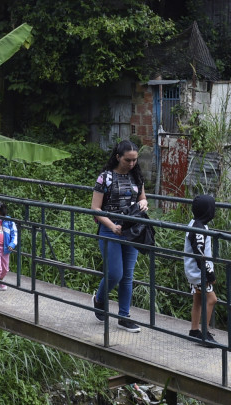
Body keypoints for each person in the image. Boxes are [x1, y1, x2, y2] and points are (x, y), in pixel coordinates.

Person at [90, 140, 148, 333]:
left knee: (128, 277)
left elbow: (142, 197)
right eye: (127, 160)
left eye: (134, 160)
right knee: (115, 273)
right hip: (109, 230)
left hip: (131, 231)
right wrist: (112, 226)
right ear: (117, 157)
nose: (131, 164)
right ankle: (99, 299)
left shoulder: (136, 176)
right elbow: (95, 209)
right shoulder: (104, 178)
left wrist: (144, 204)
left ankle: (124, 316)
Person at [185, 194, 221, 347]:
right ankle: (204, 334)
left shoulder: (196, 224)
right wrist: (209, 274)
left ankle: (194, 330)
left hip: (195, 272)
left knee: (198, 299)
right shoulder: (198, 229)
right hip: (200, 273)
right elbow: (199, 254)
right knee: (212, 299)